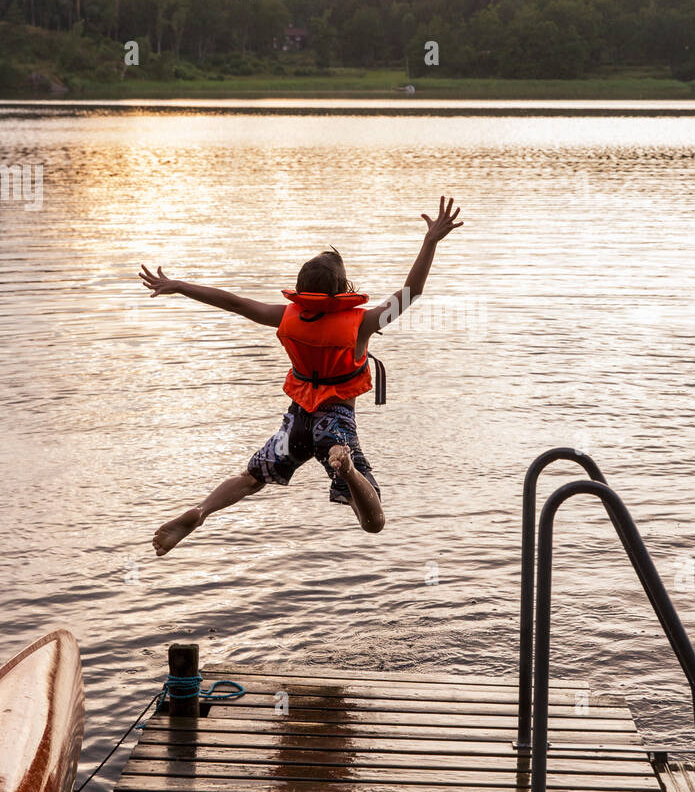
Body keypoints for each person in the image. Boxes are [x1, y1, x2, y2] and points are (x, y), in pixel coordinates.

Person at [139, 196, 463, 555]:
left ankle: (202, 511)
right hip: (335, 424)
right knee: (373, 523)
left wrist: (180, 285)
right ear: (342, 292)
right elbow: (411, 293)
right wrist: (430, 240)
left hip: (297, 420)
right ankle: (349, 471)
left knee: (250, 480)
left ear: (303, 292)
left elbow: (233, 302)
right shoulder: (362, 325)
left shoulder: (285, 316)